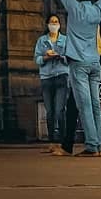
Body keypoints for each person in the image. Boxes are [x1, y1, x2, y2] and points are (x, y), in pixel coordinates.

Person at [54, 0, 101, 156]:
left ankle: (92, 145)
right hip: (95, 61)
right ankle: (99, 144)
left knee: (84, 104)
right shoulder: (97, 10)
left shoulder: (73, 7)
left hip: (78, 62)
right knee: (95, 104)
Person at [34, 14, 69, 143]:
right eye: (51, 22)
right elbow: (36, 59)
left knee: (60, 109)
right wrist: (45, 57)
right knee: (49, 111)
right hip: (46, 77)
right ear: (47, 24)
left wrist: (60, 57)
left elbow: (69, 58)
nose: (54, 24)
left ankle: (63, 138)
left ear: (59, 25)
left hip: (61, 76)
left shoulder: (65, 40)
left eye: (56, 22)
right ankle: (52, 140)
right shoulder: (41, 40)